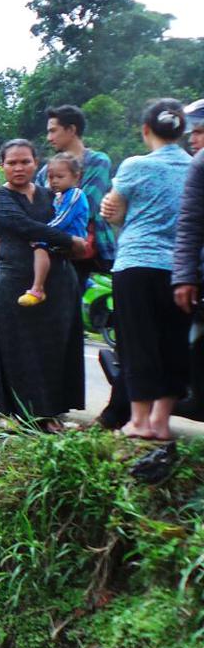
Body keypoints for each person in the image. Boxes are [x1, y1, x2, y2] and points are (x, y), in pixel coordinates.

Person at [100, 99, 193, 442]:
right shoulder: (195, 168)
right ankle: (160, 421)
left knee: (137, 344)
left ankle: (138, 421)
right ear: (182, 131)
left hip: (136, 264)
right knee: (173, 343)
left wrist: (115, 213)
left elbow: (114, 212)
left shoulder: (134, 166)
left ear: (145, 130)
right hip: (182, 269)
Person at [0, 139, 88, 427]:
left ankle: (53, 410)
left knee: (55, 344)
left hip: (58, 280)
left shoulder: (51, 195)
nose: (19, 167)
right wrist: (71, 241)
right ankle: (26, 413)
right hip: (16, 279)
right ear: (3, 165)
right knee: (20, 346)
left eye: (25, 161)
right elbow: (25, 226)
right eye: (12, 162)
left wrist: (76, 243)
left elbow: (74, 219)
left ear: (36, 163)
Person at [36, 104, 116, 278]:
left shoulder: (97, 161)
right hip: (51, 250)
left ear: (71, 129)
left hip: (86, 253)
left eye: (53, 131)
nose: (49, 138)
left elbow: (88, 206)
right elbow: (38, 207)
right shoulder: (45, 172)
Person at [11, 152, 89, 306]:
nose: (54, 181)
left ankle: (37, 289)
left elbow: (62, 219)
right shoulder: (59, 196)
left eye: (60, 177)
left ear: (76, 177)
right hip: (59, 235)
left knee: (39, 246)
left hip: (71, 236)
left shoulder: (75, 194)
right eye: (51, 177)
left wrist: (41, 232)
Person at [171, 99, 204, 419]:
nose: (193, 139)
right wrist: (184, 275)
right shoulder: (200, 164)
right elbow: (190, 223)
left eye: (200, 131)